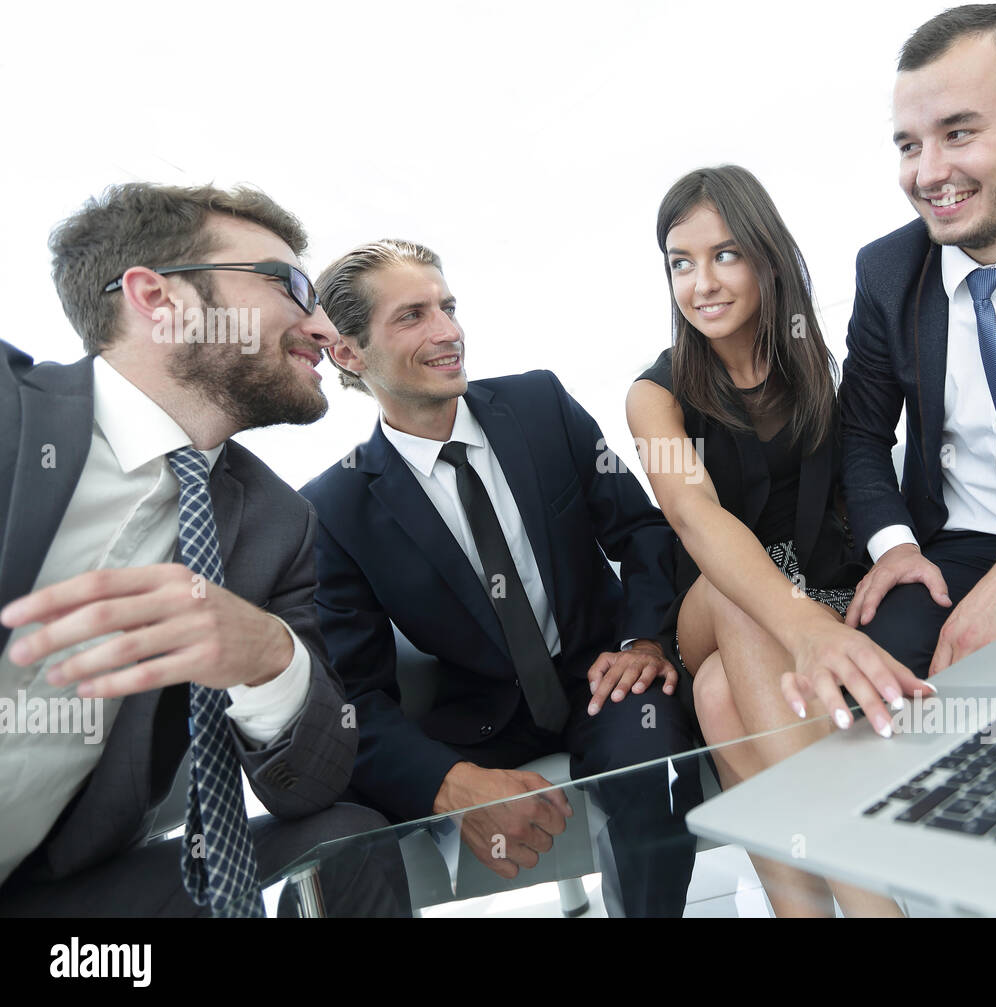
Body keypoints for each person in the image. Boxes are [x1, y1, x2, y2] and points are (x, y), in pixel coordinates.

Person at [0, 183, 406, 917]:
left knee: (346, 837)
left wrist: (267, 656)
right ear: (157, 298)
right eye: (291, 286)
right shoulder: (10, 409)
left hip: (50, 902)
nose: (322, 326)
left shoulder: (282, 524)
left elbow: (310, 782)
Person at [300, 239, 701, 917]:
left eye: (448, 307)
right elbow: (355, 697)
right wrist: (449, 782)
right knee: (338, 832)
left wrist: (643, 643)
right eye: (413, 315)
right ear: (347, 353)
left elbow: (643, 532)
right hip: (478, 718)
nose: (448, 331)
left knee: (654, 768)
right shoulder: (333, 508)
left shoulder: (540, 405)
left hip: (604, 676)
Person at [627, 165, 932, 917]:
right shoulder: (652, 398)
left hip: (821, 588)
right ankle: (872, 904)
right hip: (716, 601)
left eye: (725, 254)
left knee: (719, 693)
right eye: (680, 261)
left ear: (767, 258)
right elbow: (695, 515)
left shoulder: (813, 363)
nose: (702, 281)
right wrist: (800, 626)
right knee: (738, 594)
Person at [822, 4, 996, 699]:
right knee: (880, 694)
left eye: (958, 133)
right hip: (960, 548)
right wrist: (895, 547)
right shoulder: (887, 274)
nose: (928, 172)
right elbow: (860, 432)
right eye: (908, 144)